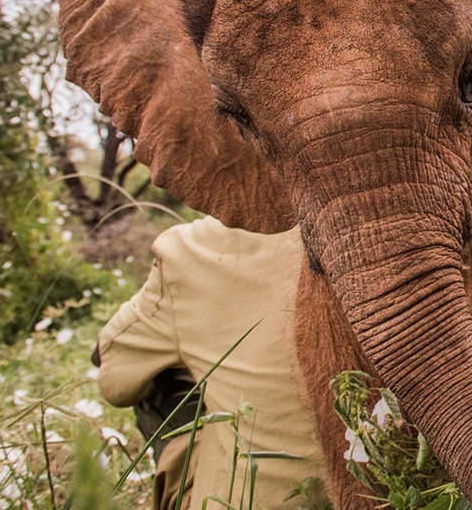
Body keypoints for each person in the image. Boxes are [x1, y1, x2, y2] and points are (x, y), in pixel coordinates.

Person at [95, 216, 326, 509]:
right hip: (386, 492)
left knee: (160, 385)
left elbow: (115, 383)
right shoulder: (390, 226)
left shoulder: (193, 247)